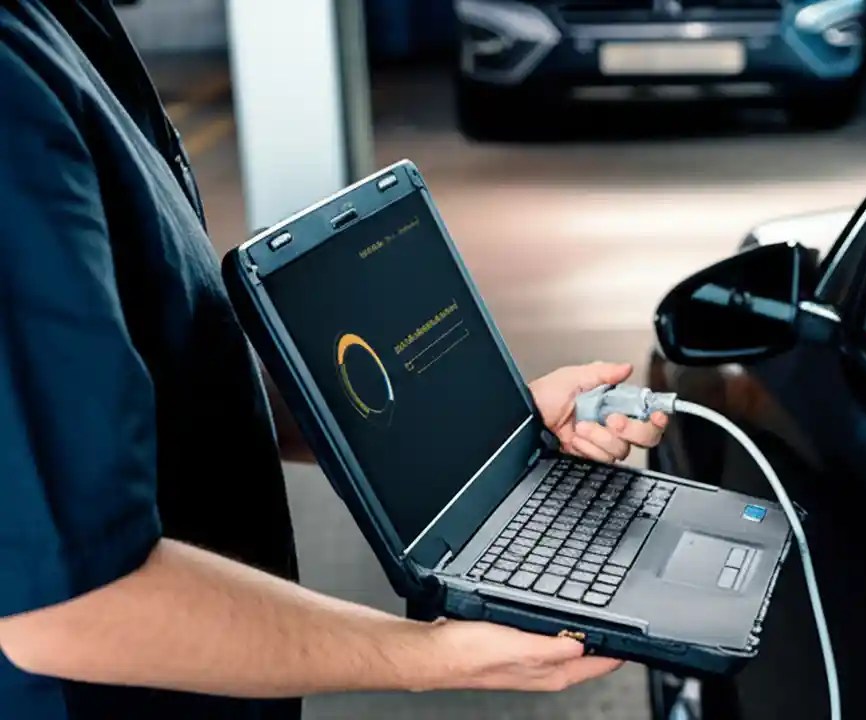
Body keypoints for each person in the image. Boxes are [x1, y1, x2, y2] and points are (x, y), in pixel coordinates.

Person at [0, 1, 669, 718]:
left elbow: (161, 367)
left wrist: (489, 424)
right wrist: (431, 657)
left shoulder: (71, 20)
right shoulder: (11, 89)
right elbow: (68, 607)